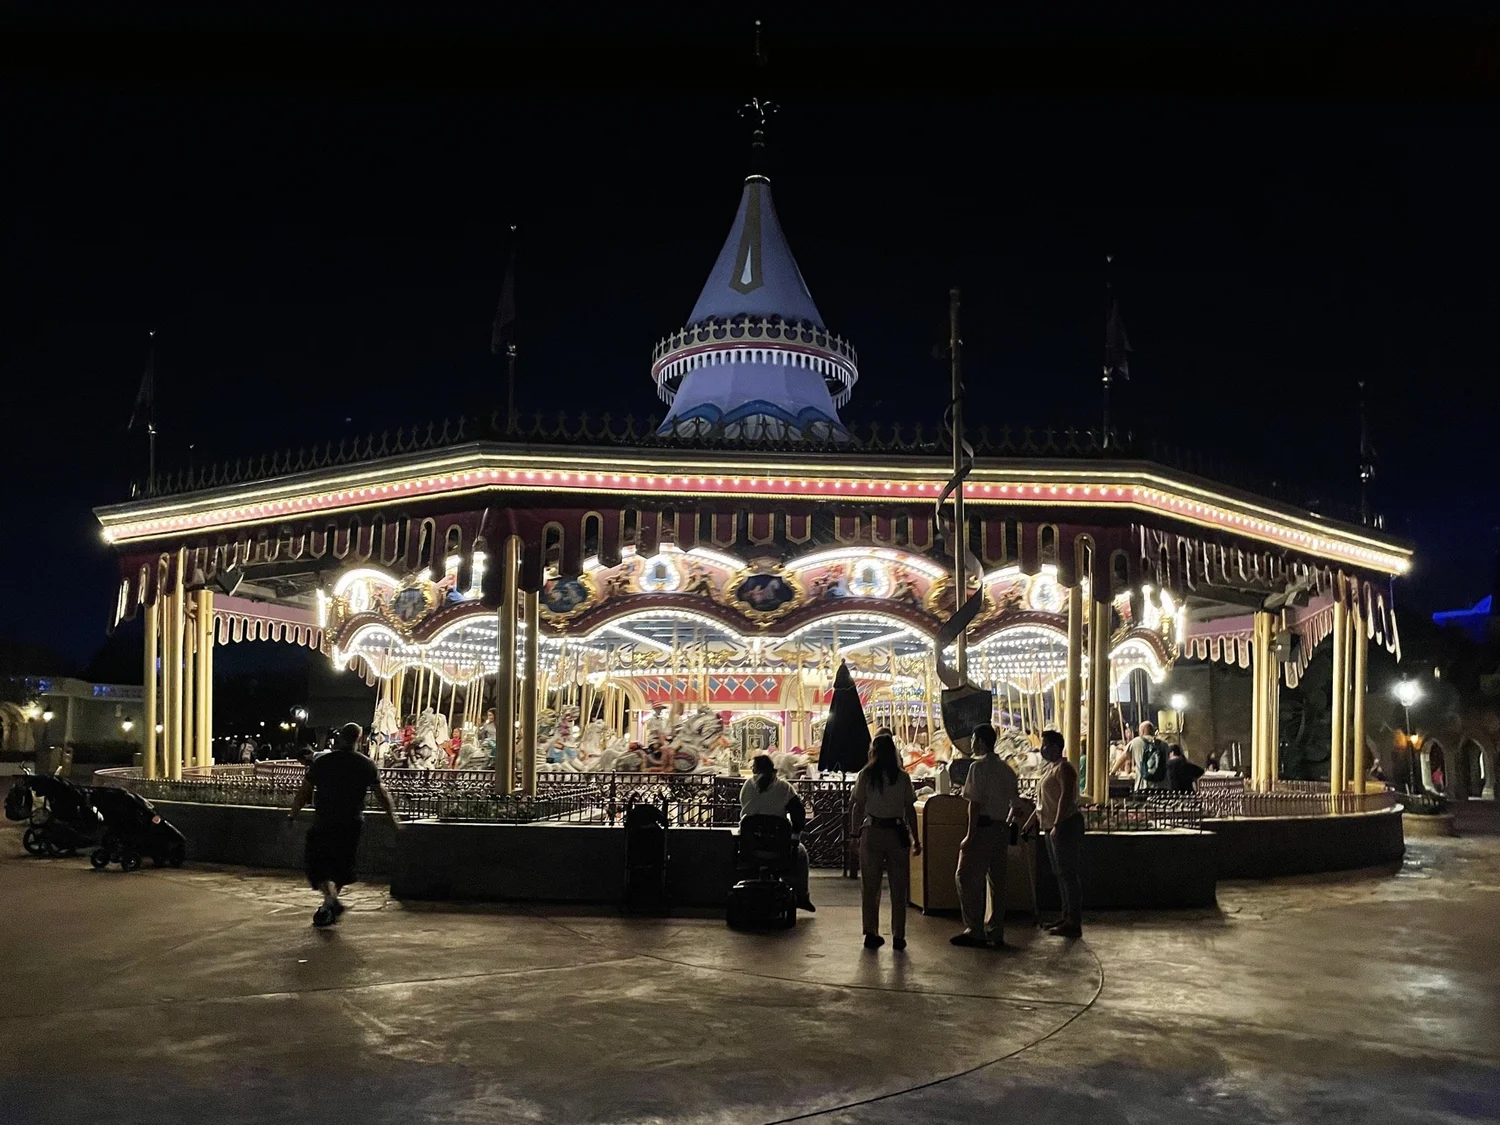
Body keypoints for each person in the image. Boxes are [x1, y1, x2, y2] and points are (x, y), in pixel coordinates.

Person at [288, 723, 401, 927]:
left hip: (325, 819)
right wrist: (392, 817)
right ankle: (328, 905)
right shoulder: (366, 764)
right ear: (360, 739)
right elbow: (382, 794)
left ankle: (330, 901)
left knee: (316, 863)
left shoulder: (323, 762)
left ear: (340, 737)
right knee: (340, 865)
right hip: (351, 821)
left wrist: (292, 814)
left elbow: (304, 791)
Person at [850, 734, 920, 950]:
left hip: (872, 832)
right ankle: (899, 935)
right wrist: (916, 839)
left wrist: (854, 835)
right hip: (897, 833)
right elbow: (909, 809)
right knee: (899, 887)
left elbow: (857, 806)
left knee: (870, 886)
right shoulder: (902, 777)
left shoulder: (866, 776)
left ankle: (871, 932)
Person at [953, 723, 1020, 948]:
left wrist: (969, 836)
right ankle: (996, 929)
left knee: (966, 876)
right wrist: (1006, 824)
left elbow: (974, 804)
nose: (971, 744)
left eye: (973, 739)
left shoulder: (978, 769)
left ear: (980, 741)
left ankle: (974, 927)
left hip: (982, 829)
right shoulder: (1007, 769)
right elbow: (1016, 805)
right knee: (997, 882)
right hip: (1000, 829)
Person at [739, 753, 815, 912]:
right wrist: (795, 833)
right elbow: (798, 815)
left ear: (754, 770)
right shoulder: (785, 787)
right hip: (778, 847)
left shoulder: (747, 786)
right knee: (801, 855)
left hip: (750, 846)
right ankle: (802, 896)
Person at [1036, 728, 1084, 938]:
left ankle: (1074, 920)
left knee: (1068, 874)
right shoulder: (1051, 768)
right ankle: (1066, 915)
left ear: (1055, 747)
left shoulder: (1064, 768)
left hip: (1064, 824)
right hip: (1051, 825)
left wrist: (1057, 824)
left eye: (1045, 745)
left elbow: (1065, 797)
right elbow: (1045, 800)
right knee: (1060, 873)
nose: (1042, 749)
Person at [1126, 720, 1168, 792]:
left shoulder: (1136, 741)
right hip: (1162, 786)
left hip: (1143, 786)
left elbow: (1124, 757)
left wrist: (1113, 772)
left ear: (1142, 731)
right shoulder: (1164, 744)